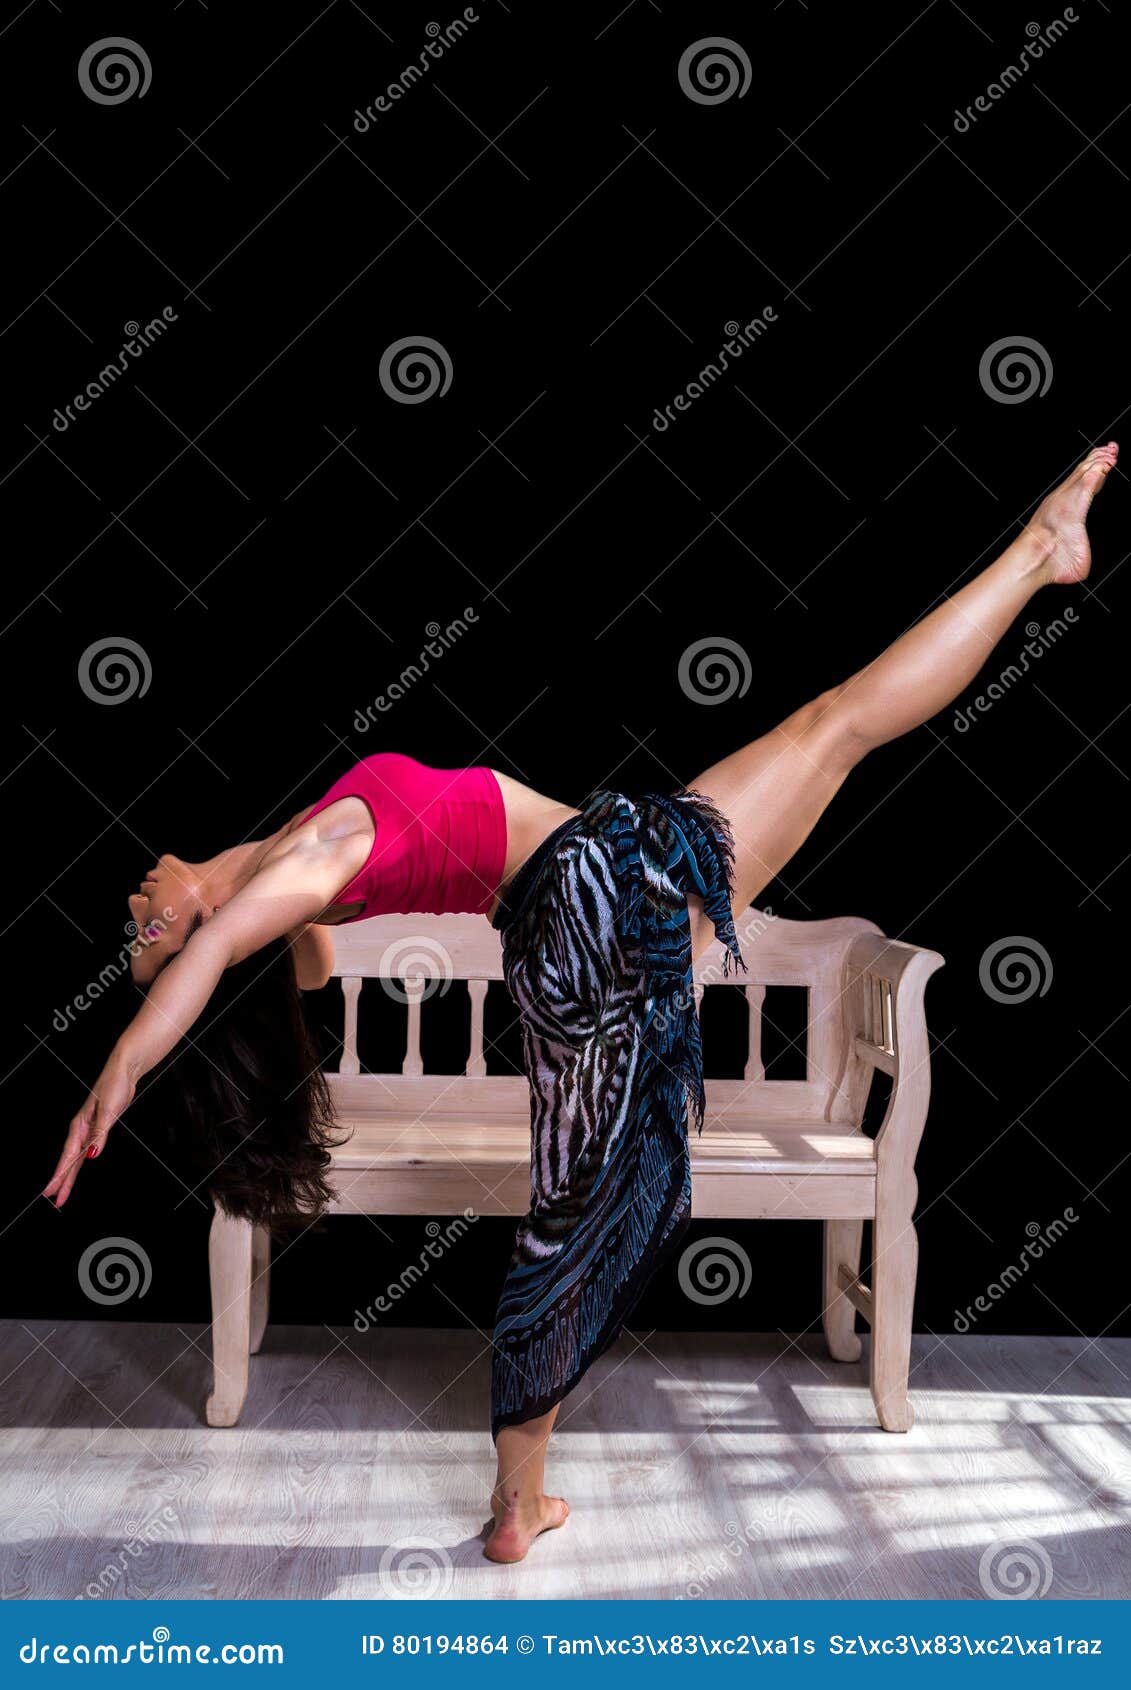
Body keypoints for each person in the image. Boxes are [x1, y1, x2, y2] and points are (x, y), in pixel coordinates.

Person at [45, 444, 1118, 1563]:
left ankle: (519, 1504)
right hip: (593, 888)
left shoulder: (282, 866)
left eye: (136, 923)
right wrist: (123, 1062)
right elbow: (224, 945)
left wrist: (196, 928)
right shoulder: (293, 872)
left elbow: (283, 962)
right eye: (140, 934)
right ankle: (1039, 552)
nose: (134, 903)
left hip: (563, 934)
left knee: (566, 1213)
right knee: (835, 725)